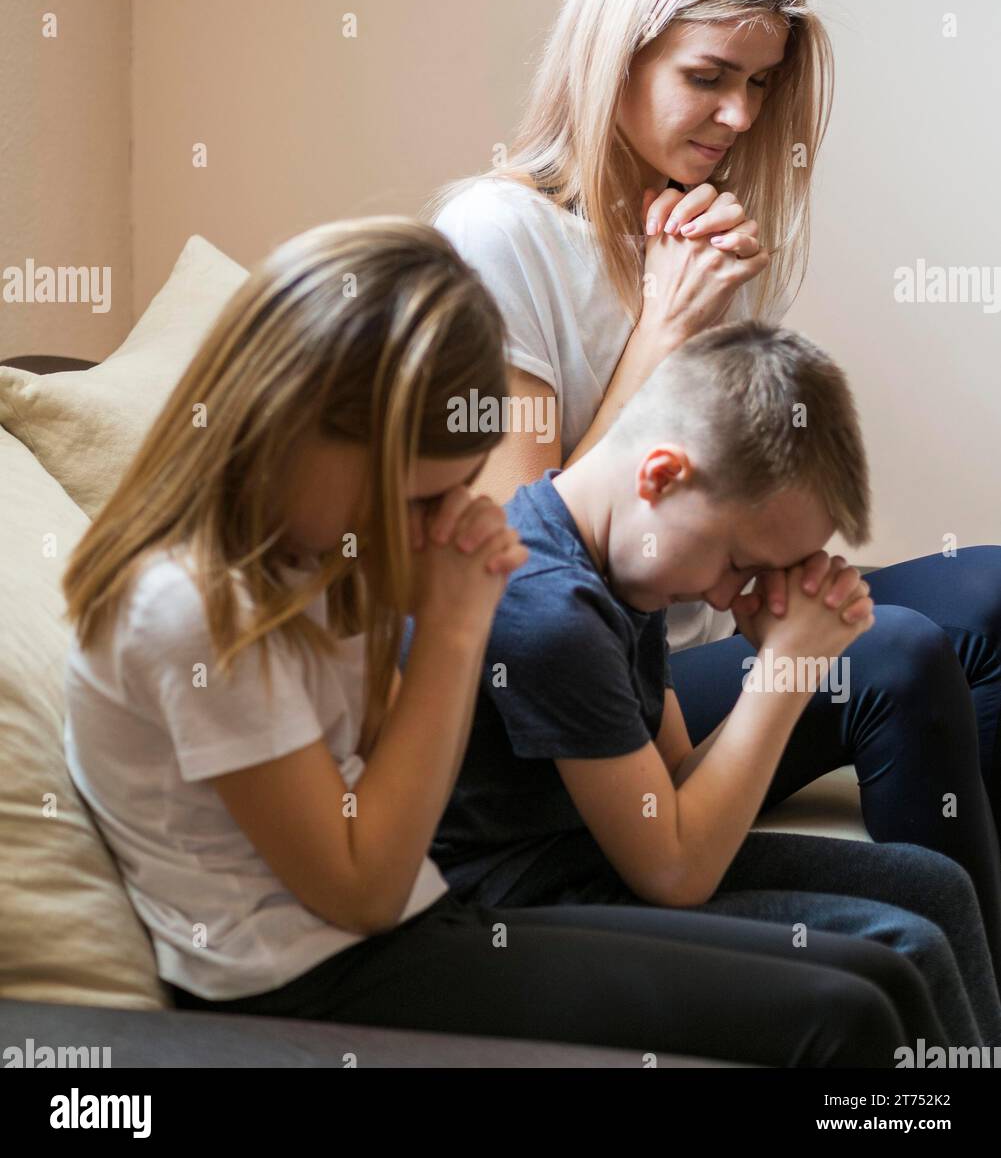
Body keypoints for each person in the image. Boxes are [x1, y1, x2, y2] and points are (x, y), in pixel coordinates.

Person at [59, 219, 956, 1067]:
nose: (450, 520)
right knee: (845, 1011)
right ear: (300, 428)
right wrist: (453, 626)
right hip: (308, 980)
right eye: (422, 499)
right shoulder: (190, 610)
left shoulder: (307, 568)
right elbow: (365, 886)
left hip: (405, 926)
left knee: (879, 973)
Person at [421, 0, 1001, 844]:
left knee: (987, 590)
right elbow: (521, 555)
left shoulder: (698, 226)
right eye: (708, 76)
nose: (738, 114)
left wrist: (787, 586)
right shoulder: (496, 235)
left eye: (761, 82)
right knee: (892, 652)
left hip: (698, 630)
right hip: (584, 680)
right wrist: (665, 325)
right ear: (619, 54)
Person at [424, 320, 1001, 1049]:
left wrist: (778, 665)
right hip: (513, 901)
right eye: (738, 561)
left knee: (933, 885)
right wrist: (783, 673)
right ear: (661, 476)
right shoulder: (548, 608)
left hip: (591, 859)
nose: (732, 597)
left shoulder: (614, 570)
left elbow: (674, 782)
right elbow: (675, 871)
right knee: (900, 943)